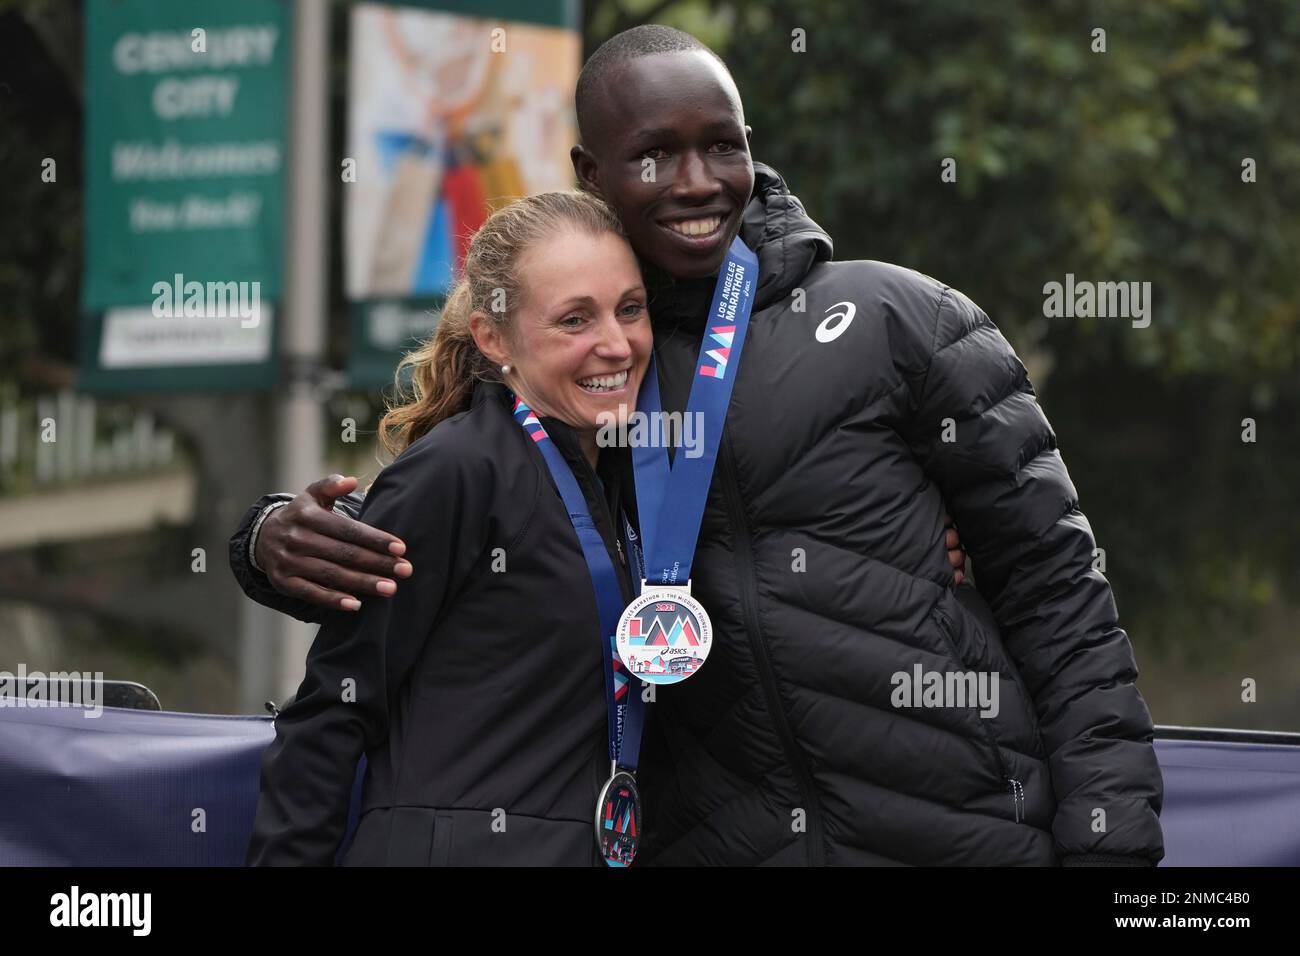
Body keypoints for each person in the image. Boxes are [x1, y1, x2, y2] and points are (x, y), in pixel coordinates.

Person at [233, 26, 1163, 866]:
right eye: (655, 155)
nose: (697, 181)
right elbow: (436, 528)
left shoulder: (900, 319)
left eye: (724, 144)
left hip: (962, 840)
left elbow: (1058, 596)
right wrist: (268, 539)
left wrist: (1110, 846)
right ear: (591, 173)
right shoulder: (586, 382)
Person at [246, 191, 655, 866]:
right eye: (575, 319)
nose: (616, 343)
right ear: (495, 339)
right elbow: (333, 708)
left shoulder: (624, 476)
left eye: (630, 309)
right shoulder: (457, 469)